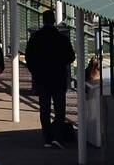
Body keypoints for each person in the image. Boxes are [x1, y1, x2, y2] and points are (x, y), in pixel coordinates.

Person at [24, 15, 77, 146]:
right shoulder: (62, 39)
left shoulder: (35, 38)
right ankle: (58, 137)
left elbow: (29, 57)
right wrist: (60, 64)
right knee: (60, 110)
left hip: (42, 78)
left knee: (44, 109)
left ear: (43, 20)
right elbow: (70, 57)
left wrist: (36, 71)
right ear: (54, 21)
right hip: (58, 78)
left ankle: (47, 137)